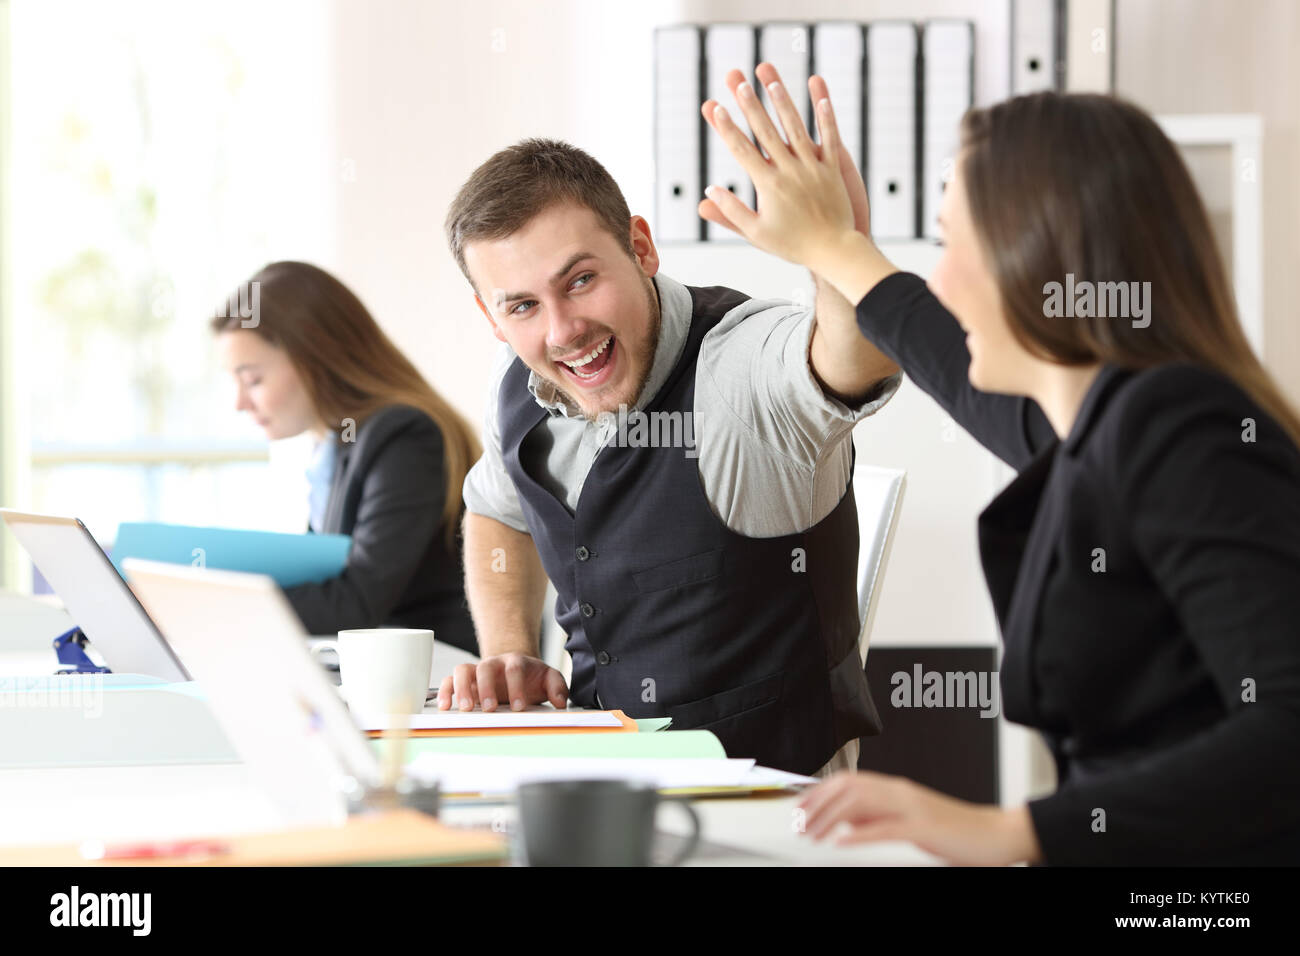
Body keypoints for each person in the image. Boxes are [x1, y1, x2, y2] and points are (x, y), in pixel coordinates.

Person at [699, 62, 1300, 864]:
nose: (940, 281)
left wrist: (1006, 832)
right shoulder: (1095, 433)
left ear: (1036, 260)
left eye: (952, 244)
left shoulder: (1179, 430)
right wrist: (838, 251)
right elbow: (947, 360)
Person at [438, 137, 904, 777]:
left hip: (770, 812)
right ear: (492, 317)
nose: (561, 331)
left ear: (641, 248)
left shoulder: (741, 367)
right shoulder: (520, 382)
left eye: (580, 281)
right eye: (521, 305)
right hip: (602, 788)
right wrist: (510, 652)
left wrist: (838, 254)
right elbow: (498, 509)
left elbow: (851, 360)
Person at [212, 261, 481, 654]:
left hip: (431, 681)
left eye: (253, 379)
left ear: (315, 357)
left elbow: (356, 602)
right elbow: (323, 576)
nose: (239, 403)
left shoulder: (404, 437)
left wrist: (222, 604)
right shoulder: (336, 447)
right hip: (374, 671)